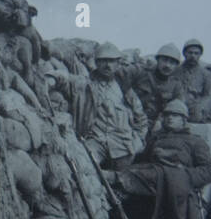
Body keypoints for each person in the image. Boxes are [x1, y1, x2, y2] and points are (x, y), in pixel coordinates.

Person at [117, 99, 211, 219]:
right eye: (168, 115)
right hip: (153, 186)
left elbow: (209, 171)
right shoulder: (156, 139)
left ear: (184, 120)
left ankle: (119, 179)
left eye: (175, 115)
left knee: (160, 175)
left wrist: (184, 175)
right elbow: (143, 161)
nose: (170, 118)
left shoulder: (195, 142)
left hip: (176, 186)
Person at [63, 42, 149, 172]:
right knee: (83, 166)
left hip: (122, 144)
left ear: (118, 63)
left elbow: (140, 118)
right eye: (103, 61)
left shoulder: (124, 89)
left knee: (123, 177)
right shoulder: (86, 85)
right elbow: (65, 79)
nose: (108, 65)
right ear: (97, 63)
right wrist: (51, 78)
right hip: (96, 141)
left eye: (112, 61)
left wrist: (138, 141)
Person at [133, 43, 185, 128]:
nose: (167, 65)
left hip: (159, 125)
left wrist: (160, 120)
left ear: (176, 66)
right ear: (158, 60)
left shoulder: (176, 85)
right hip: (134, 119)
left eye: (172, 63)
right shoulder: (141, 74)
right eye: (164, 60)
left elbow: (178, 108)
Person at [174, 38, 211, 122]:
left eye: (196, 53)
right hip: (177, 105)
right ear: (184, 53)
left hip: (196, 108)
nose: (193, 56)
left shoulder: (206, 74)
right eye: (190, 52)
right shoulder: (175, 70)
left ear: (200, 55)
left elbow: (208, 95)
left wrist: (200, 106)